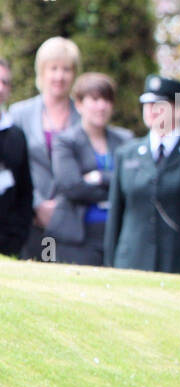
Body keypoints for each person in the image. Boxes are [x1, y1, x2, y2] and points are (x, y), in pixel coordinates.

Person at [105, 74, 180, 274]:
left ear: (179, 109)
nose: (151, 110)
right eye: (147, 103)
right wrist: (110, 266)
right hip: (131, 265)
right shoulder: (126, 154)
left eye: (160, 104)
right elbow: (116, 216)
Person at [49, 73, 132, 266]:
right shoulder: (65, 141)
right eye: (94, 99)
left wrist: (99, 177)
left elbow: (132, 182)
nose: (101, 106)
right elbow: (71, 186)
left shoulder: (125, 140)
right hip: (78, 236)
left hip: (117, 233)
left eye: (107, 99)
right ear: (78, 104)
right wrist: (114, 187)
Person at [8, 37, 81, 259]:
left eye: (66, 69)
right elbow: (13, 166)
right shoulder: (19, 113)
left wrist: (60, 208)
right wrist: (37, 204)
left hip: (72, 218)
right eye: (54, 68)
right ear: (42, 72)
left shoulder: (84, 116)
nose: (59, 76)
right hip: (30, 218)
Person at [0, 58, 34, 257]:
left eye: (5, 82)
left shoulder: (16, 135)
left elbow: (24, 188)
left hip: (8, 240)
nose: (1, 87)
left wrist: (18, 234)